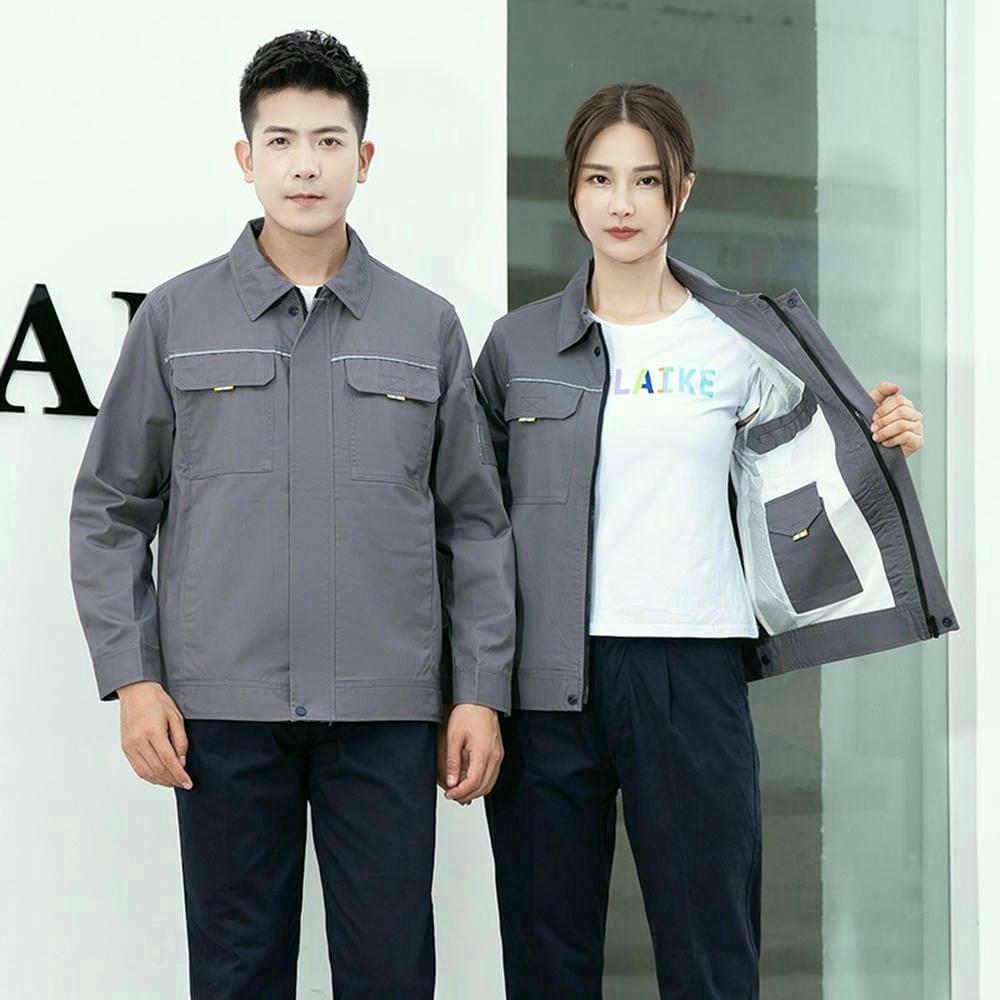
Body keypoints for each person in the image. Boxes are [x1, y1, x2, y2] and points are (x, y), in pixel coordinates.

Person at [474, 82, 958, 999]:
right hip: (544, 683)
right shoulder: (515, 346)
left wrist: (888, 429)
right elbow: (476, 525)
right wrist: (475, 687)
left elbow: (826, 444)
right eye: (600, 178)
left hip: (691, 674)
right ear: (572, 188)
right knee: (545, 960)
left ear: (683, 190)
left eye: (647, 180)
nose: (622, 203)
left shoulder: (743, 340)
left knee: (711, 958)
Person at [68, 30, 514, 1000]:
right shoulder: (175, 318)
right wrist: (133, 679)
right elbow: (109, 507)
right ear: (246, 157)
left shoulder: (427, 325)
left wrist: (479, 691)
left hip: (387, 715)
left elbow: (475, 524)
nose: (304, 165)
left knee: (391, 974)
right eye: (280, 141)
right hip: (221, 715)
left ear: (364, 157)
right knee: (236, 977)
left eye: (327, 140)